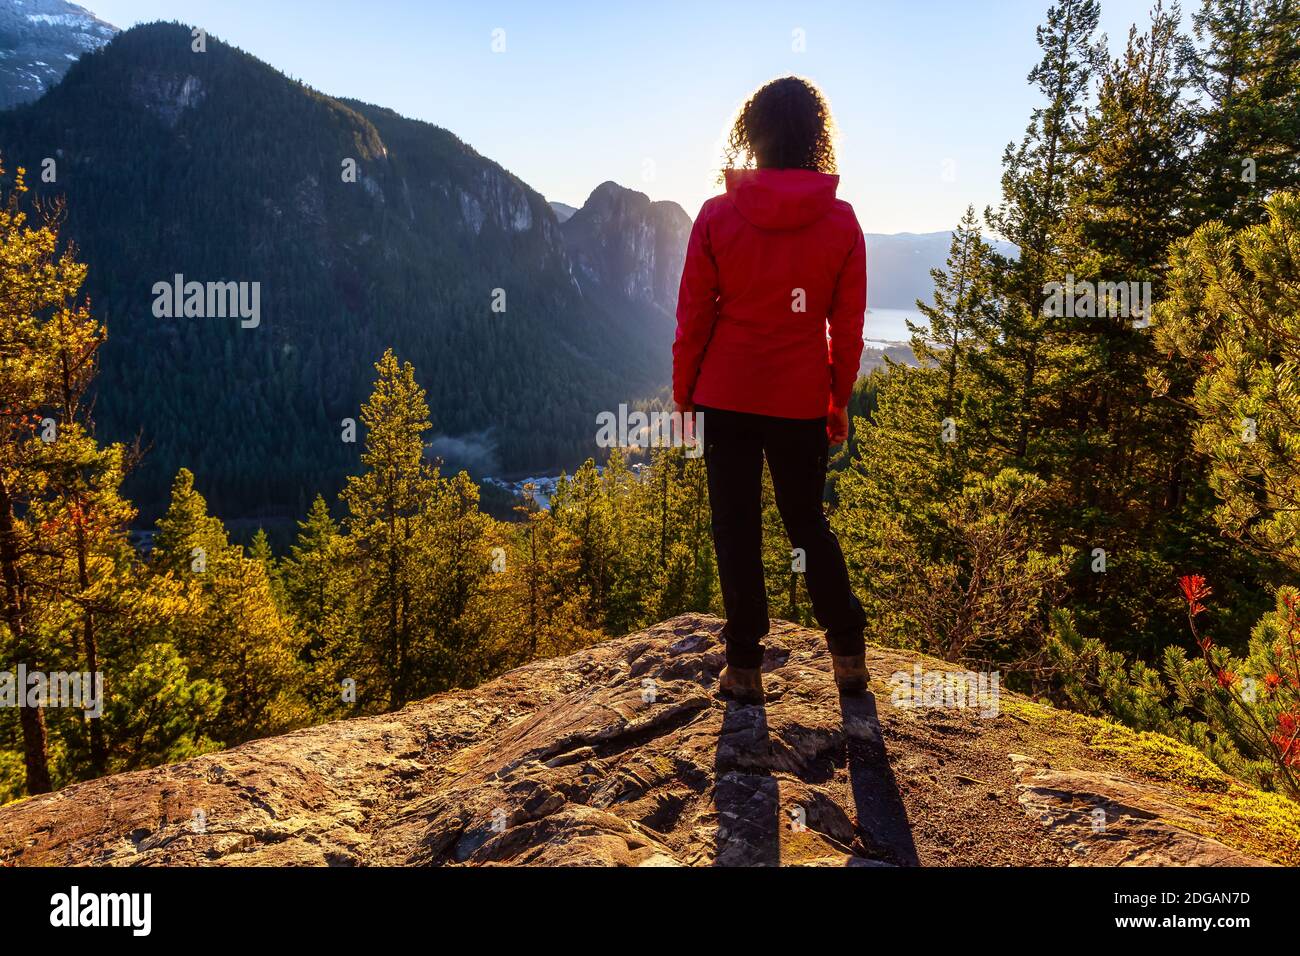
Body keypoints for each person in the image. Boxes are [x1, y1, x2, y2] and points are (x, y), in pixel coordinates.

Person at [673, 75, 869, 705]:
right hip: (798, 398)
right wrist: (836, 400)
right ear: (817, 137)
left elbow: (694, 317)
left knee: (735, 525)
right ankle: (847, 652)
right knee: (808, 523)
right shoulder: (840, 222)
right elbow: (849, 326)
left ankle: (744, 666)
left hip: (725, 394)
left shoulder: (716, 215)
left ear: (751, 134)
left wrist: (685, 393)